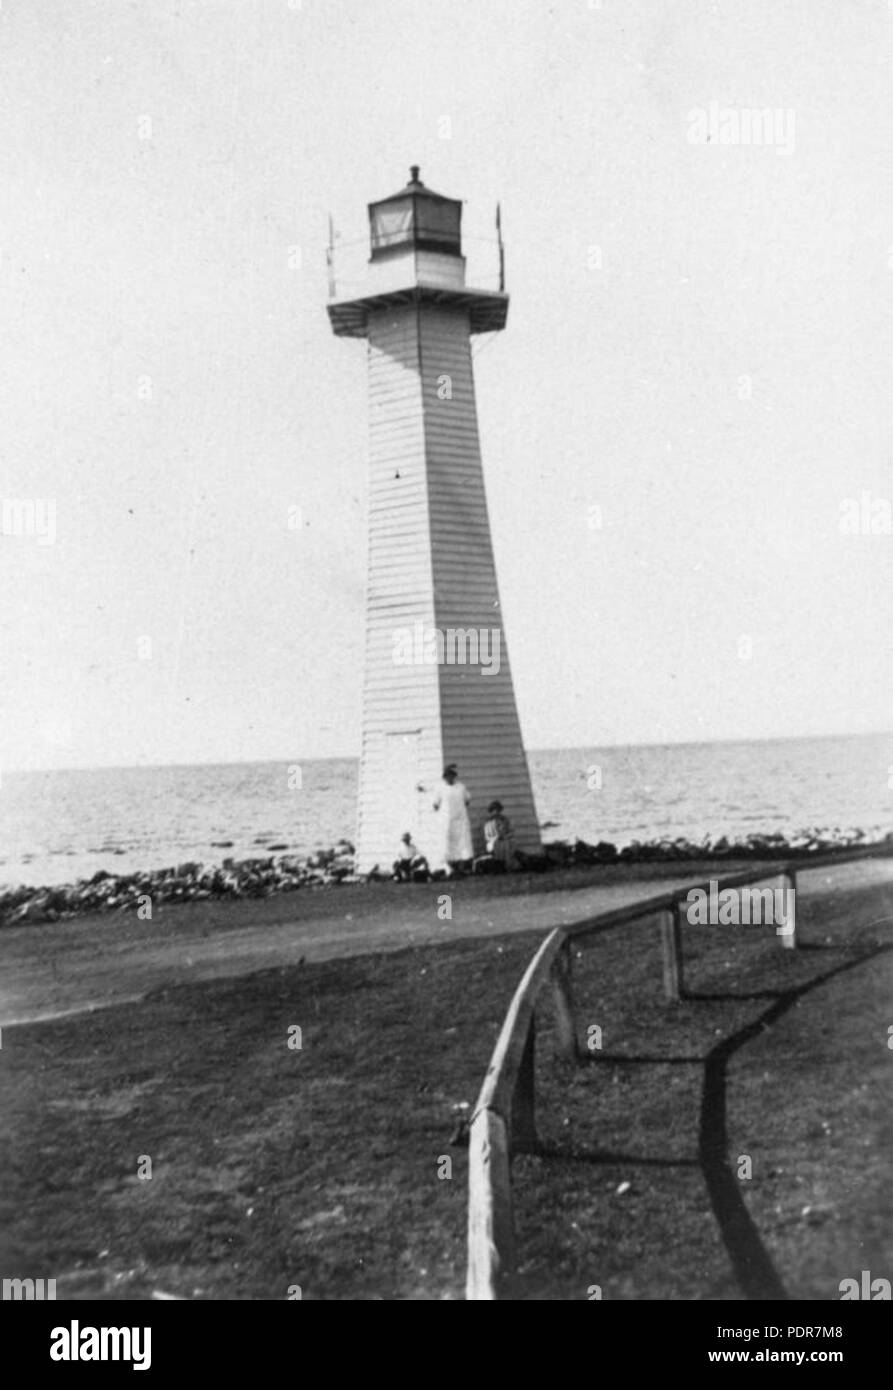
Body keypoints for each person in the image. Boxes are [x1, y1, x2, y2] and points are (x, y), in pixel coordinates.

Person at [432, 764, 473, 874]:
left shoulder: (461, 787)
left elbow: (467, 800)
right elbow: (435, 805)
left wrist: (459, 810)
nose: (449, 778)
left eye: (451, 776)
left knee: (462, 842)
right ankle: (450, 866)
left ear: (454, 776)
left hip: (460, 820)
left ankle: (463, 866)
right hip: (447, 821)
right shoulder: (440, 788)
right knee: (448, 843)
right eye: (447, 776)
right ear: (444, 777)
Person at [483, 800, 518, 871]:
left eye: (498, 810)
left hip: (505, 840)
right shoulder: (488, 822)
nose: (496, 813)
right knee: (498, 845)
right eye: (494, 810)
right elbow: (487, 837)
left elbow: (511, 832)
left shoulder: (504, 820)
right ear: (491, 811)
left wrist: (506, 836)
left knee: (507, 843)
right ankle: (500, 866)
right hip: (493, 841)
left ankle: (508, 866)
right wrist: (495, 838)